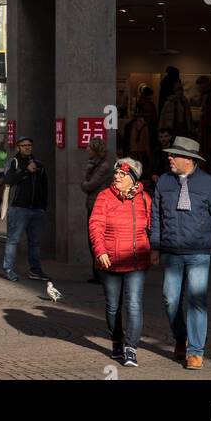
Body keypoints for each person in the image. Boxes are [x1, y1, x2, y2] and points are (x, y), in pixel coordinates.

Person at [150, 136, 211, 370]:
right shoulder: (164, 182)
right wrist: (155, 246)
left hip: (199, 252)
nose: (169, 158)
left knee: (197, 300)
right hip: (171, 251)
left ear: (188, 159)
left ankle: (195, 351)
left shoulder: (209, 184)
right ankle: (180, 337)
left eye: (173, 155)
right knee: (170, 299)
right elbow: (155, 216)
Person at [89, 158, 152, 368]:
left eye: (122, 174)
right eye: (116, 173)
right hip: (111, 260)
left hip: (136, 261)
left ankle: (131, 348)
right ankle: (116, 340)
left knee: (134, 304)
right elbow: (95, 225)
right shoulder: (104, 197)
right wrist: (100, 251)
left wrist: (155, 249)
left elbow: (152, 227)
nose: (116, 177)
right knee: (113, 306)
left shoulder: (144, 199)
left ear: (132, 178)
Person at [2, 137, 49, 283]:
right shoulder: (14, 162)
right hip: (18, 208)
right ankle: (8, 269)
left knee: (34, 242)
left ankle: (35, 270)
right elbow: (8, 180)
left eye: (29, 145)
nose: (27, 147)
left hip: (36, 210)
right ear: (18, 147)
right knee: (13, 240)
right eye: (24, 145)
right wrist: (25, 171)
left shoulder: (39, 165)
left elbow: (44, 187)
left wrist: (43, 207)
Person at [80, 136, 115, 282]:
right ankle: (98, 273)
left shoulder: (104, 166)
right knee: (94, 240)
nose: (86, 149)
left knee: (95, 239)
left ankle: (100, 274)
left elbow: (89, 185)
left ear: (95, 149)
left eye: (89, 147)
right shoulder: (96, 163)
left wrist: (85, 182)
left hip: (98, 205)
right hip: (94, 203)